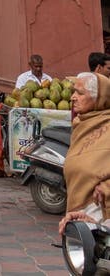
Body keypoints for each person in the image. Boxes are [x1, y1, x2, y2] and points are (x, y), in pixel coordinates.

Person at [58, 72, 110, 236]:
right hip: (80, 208)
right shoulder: (81, 124)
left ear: (98, 98)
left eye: (80, 93)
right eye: (74, 92)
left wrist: (107, 186)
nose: (73, 97)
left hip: (100, 211)